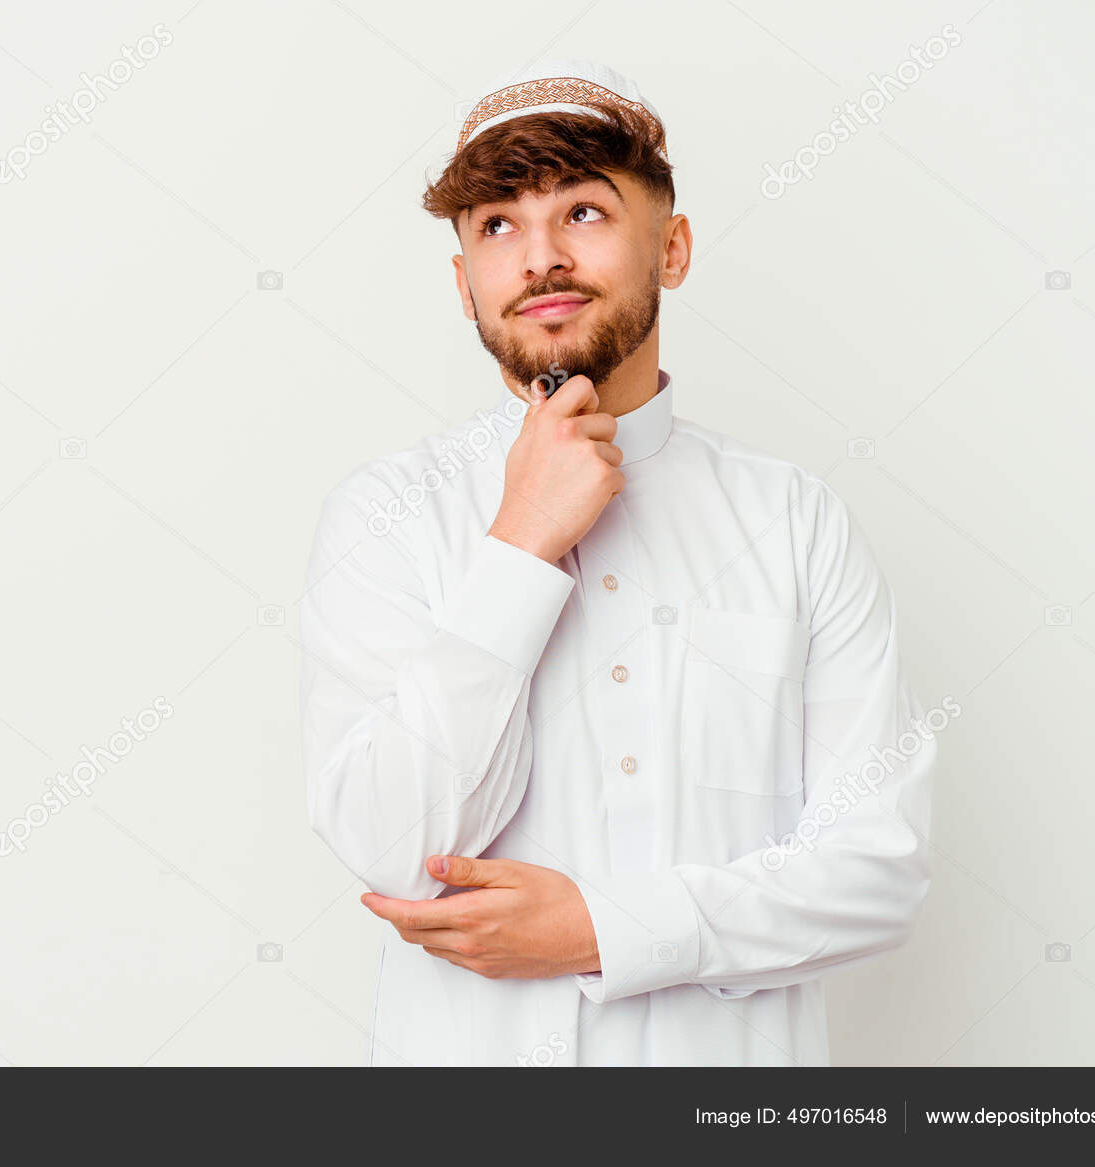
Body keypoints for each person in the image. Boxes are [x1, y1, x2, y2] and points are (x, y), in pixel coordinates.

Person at [298, 59, 936, 1066]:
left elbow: (875, 871)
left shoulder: (796, 521)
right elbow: (393, 851)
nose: (539, 256)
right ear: (462, 280)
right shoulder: (388, 516)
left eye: (584, 212)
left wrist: (601, 929)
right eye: (497, 226)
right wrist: (521, 544)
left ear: (671, 248)